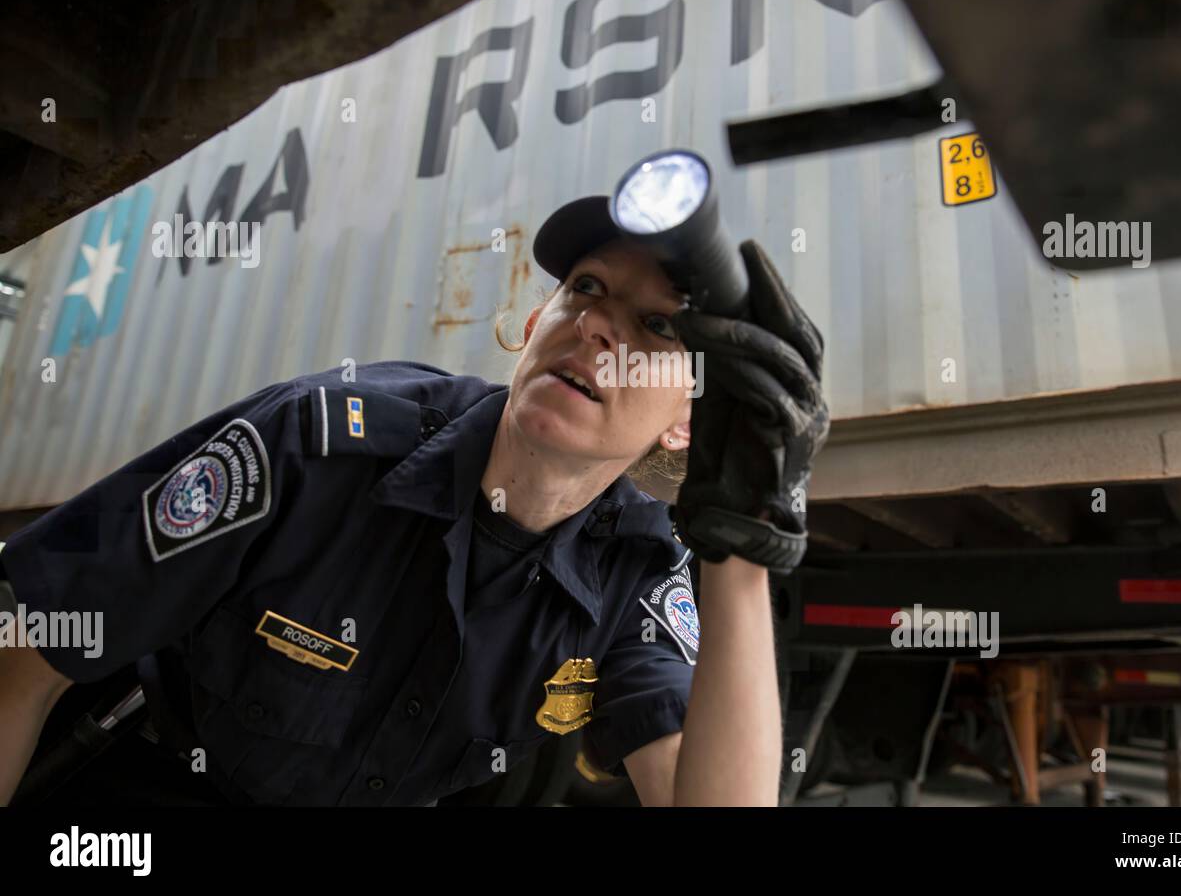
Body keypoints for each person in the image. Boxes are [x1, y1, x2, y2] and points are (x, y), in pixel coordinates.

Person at [0, 195, 829, 806]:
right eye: (586, 288)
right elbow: (26, 656)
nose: (598, 328)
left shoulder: (637, 570)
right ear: (538, 319)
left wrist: (742, 556)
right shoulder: (318, 446)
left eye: (656, 328)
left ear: (688, 422)